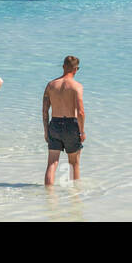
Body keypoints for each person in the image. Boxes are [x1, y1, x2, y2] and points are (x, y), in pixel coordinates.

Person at [43, 55, 85, 185]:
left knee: (52, 163)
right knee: (73, 163)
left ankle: (49, 196)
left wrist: (46, 131)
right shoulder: (76, 86)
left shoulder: (51, 85)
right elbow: (81, 112)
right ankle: (75, 197)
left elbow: (45, 111)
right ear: (76, 69)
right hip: (70, 125)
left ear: (63, 67)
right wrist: (82, 131)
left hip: (54, 124)